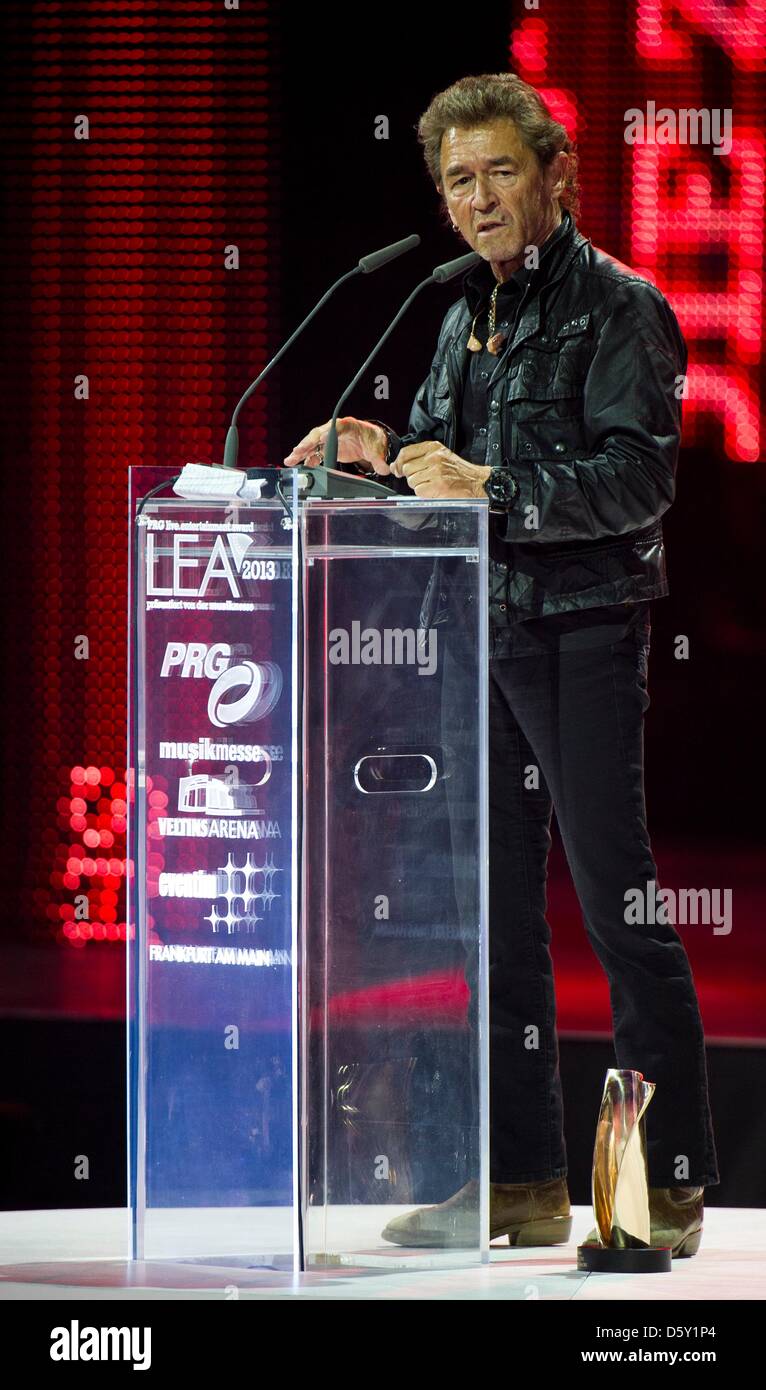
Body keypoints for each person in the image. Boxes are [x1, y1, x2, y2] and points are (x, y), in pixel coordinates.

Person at [283, 72, 719, 1255]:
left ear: (554, 175)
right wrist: (376, 455)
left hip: (580, 632)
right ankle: (519, 1183)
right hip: (481, 629)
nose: (477, 200)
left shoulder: (620, 308)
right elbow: (441, 465)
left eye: (499, 172)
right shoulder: (454, 313)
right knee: (492, 921)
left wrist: (499, 487)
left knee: (617, 901)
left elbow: (642, 479)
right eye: (456, 181)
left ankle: (659, 1190)